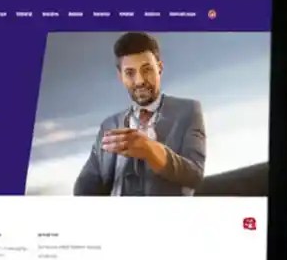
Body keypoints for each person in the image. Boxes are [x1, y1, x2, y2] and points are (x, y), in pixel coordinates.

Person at [73, 32, 206, 196]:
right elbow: (86, 184)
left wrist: (149, 149)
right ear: (120, 76)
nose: (140, 80)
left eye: (147, 70)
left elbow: (195, 175)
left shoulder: (188, 110)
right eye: (130, 73)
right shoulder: (109, 125)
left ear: (160, 68)